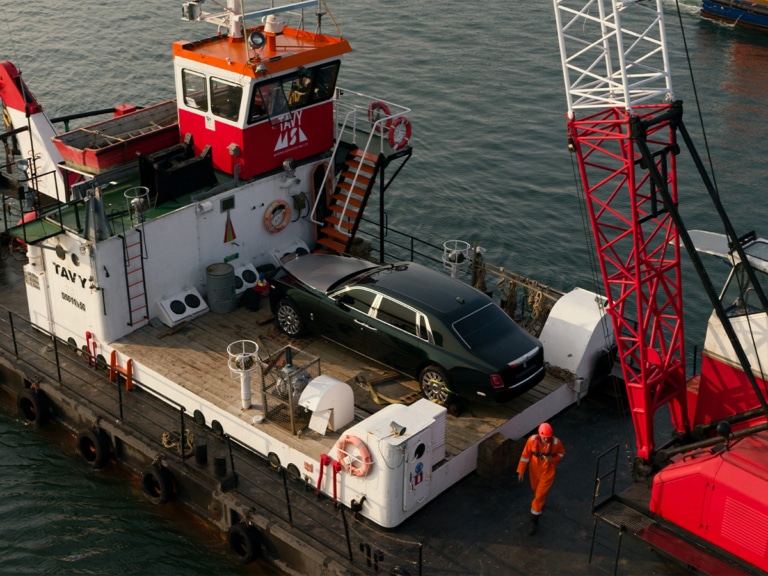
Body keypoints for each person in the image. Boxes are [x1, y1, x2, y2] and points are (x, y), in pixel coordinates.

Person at [516, 422, 566, 535]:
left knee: (538, 497)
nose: (546, 440)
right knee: (535, 489)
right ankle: (540, 504)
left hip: (547, 473)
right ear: (539, 435)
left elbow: (562, 453)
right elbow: (525, 455)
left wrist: (552, 460)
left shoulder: (556, 443)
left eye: (548, 437)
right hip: (534, 471)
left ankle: (533, 521)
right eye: (544, 437)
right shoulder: (532, 440)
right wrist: (521, 470)